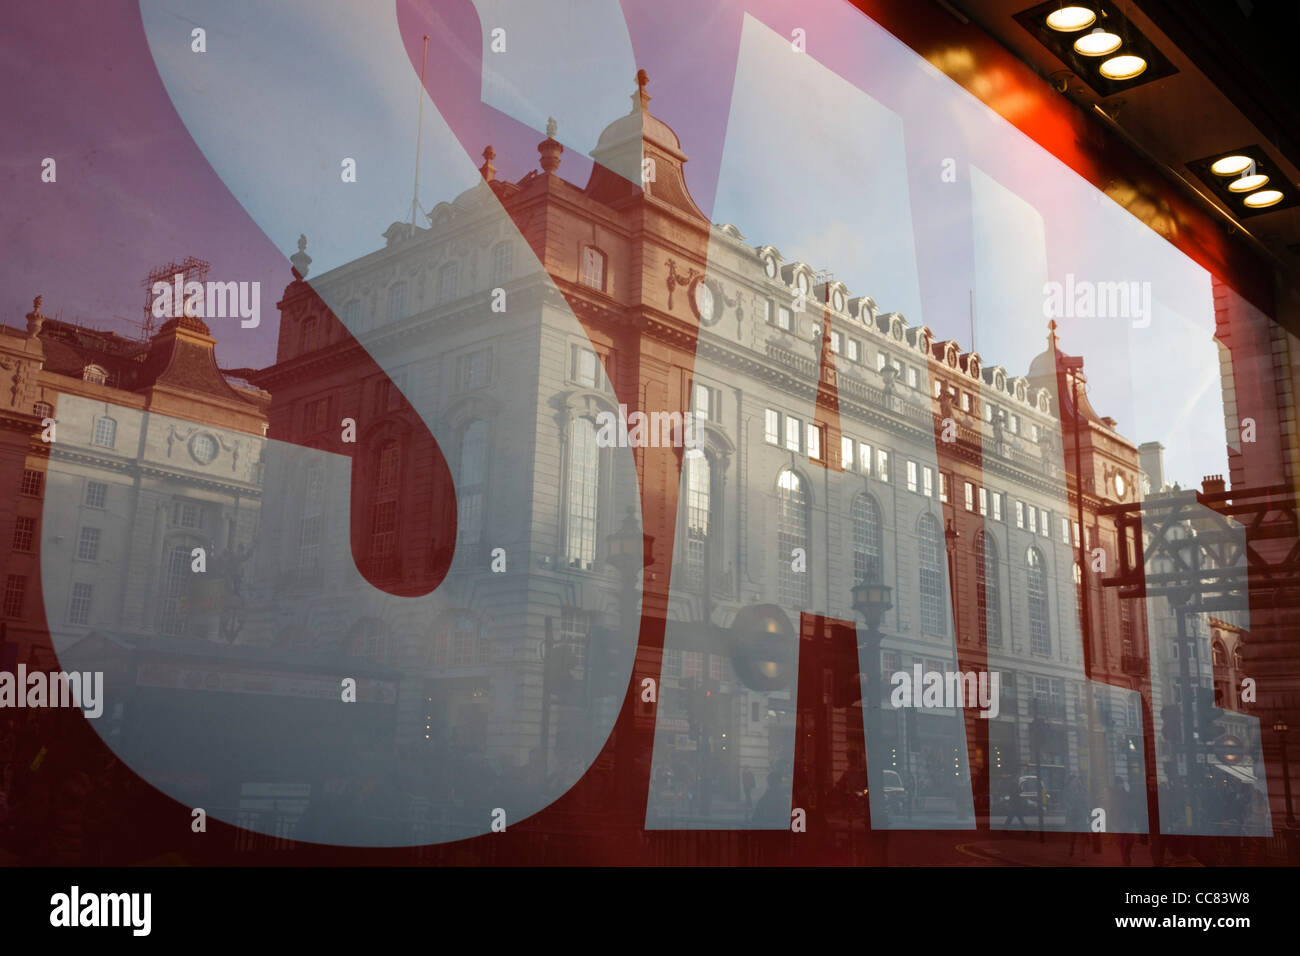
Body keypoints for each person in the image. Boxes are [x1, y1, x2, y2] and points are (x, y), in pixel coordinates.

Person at [1064, 774, 1088, 859]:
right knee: (1072, 835)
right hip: (1072, 816)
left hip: (1081, 815)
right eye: (1074, 780)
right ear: (1070, 782)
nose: (1076, 782)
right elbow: (1064, 803)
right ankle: (1071, 848)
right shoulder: (1066, 791)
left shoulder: (1082, 790)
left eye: (1077, 780)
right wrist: (1070, 809)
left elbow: (1085, 802)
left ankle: (1083, 853)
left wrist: (1088, 813)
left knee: (1083, 835)